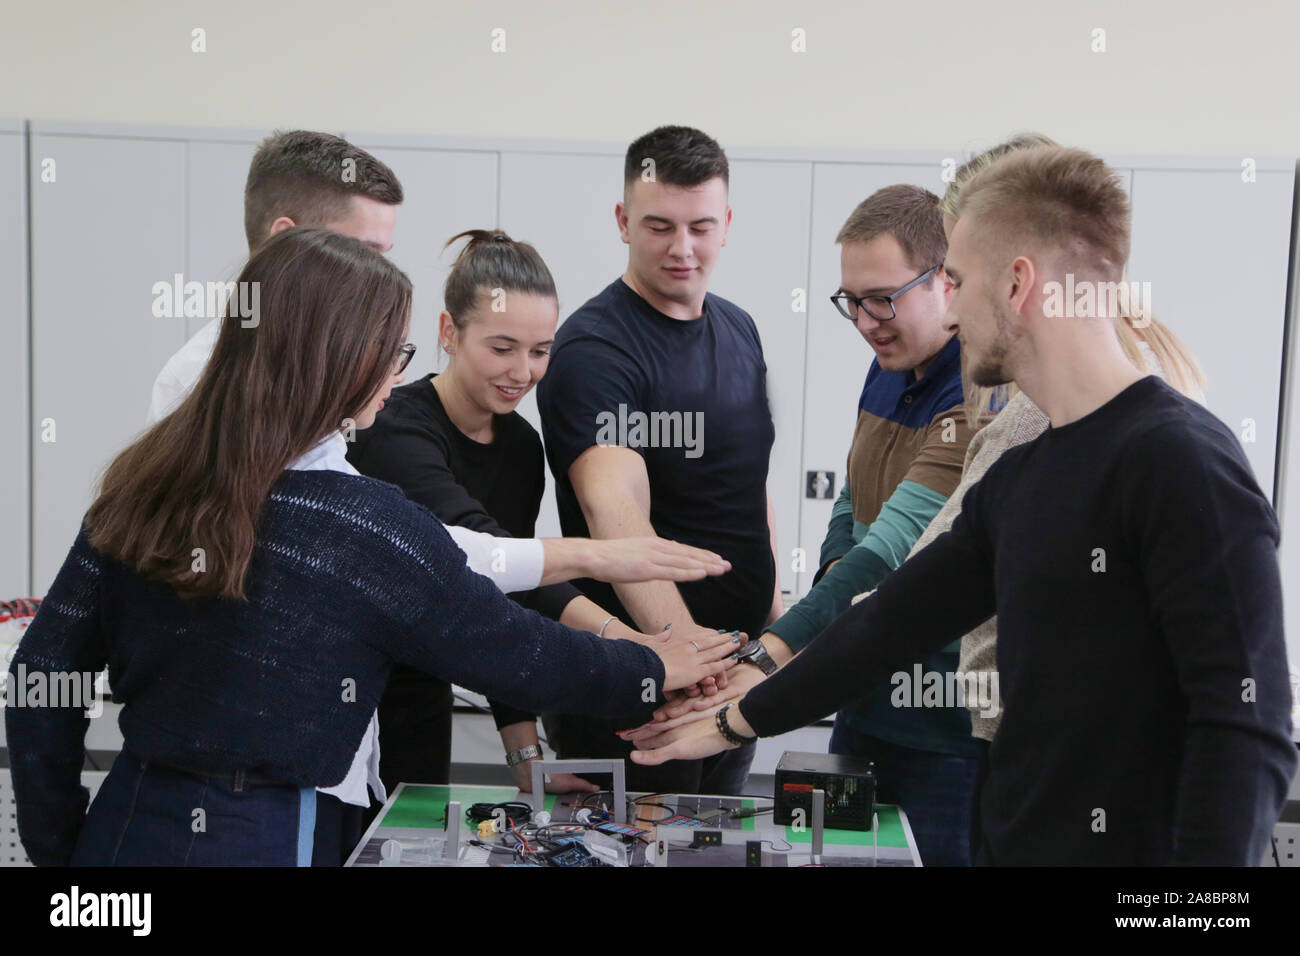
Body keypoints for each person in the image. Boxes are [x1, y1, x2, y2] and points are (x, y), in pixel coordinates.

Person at [631, 146, 1297, 866]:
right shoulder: (1021, 476)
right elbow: (891, 620)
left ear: (1017, 284)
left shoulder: (1181, 460)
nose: (947, 311)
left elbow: (1245, 722)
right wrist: (733, 720)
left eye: (955, 279)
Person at [5, 227, 742, 867]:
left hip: (128, 818)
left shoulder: (143, 484)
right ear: (340, 358)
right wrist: (649, 663)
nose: (397, 369)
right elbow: (517, 651)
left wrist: (63, 844)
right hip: (266, 833)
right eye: (393, 349)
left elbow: (41, 675)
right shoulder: (361, 525)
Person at [347, 229, 677, 797]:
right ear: (449, 332)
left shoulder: (523, 447)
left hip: (427, 690)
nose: (522, 372)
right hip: (358, 690)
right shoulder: (394, 426)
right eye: (501, 349)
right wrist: (625, 636)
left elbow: (508, 594)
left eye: (540, 351)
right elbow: (485, 551)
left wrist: (525, 757)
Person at [536, 125, 782, 795]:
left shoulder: (740, 328)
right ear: (622, 221)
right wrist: (686, 656)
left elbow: (748, 477)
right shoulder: (595, 349)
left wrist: (771, 616)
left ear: (727, 223)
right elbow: (612, 508)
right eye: (659, 226)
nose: (683, 248)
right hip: (636, 681)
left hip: (728, 677)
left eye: (701, 226)